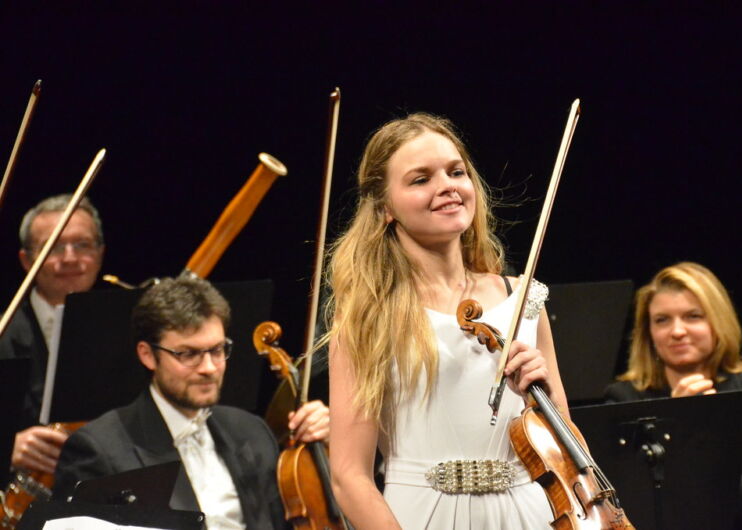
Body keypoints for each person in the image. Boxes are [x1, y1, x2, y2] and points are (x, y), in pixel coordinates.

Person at [326, 113, 569, 528]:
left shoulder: (524, 298)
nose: (448, 187)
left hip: (534, 514)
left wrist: (542, 394)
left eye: (456, 172)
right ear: (385, 208)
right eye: (420, 180)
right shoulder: (367, 318)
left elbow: (563, 444)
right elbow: (349, 477)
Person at [53, 276, 330, 529]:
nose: (209, 367)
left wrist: (330, 449)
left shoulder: (251, 431)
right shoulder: (98, 450)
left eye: (217, 350)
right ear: (148, 355)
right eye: (188, 354)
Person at [605, 262, 742, 530]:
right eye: (662, 320)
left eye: (693, 316)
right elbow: (622, 509)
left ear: (717, 322)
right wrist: (674, 427)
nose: (677, 331)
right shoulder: (623, 399)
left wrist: (704, 452)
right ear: (648, 334)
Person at [0, 194, 104, 476]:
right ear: (26, 260)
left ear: (100, 253)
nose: (70, 258)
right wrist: (7, 447)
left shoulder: (125, 329)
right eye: (53, 248)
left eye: (82, 245)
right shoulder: (4, 334)